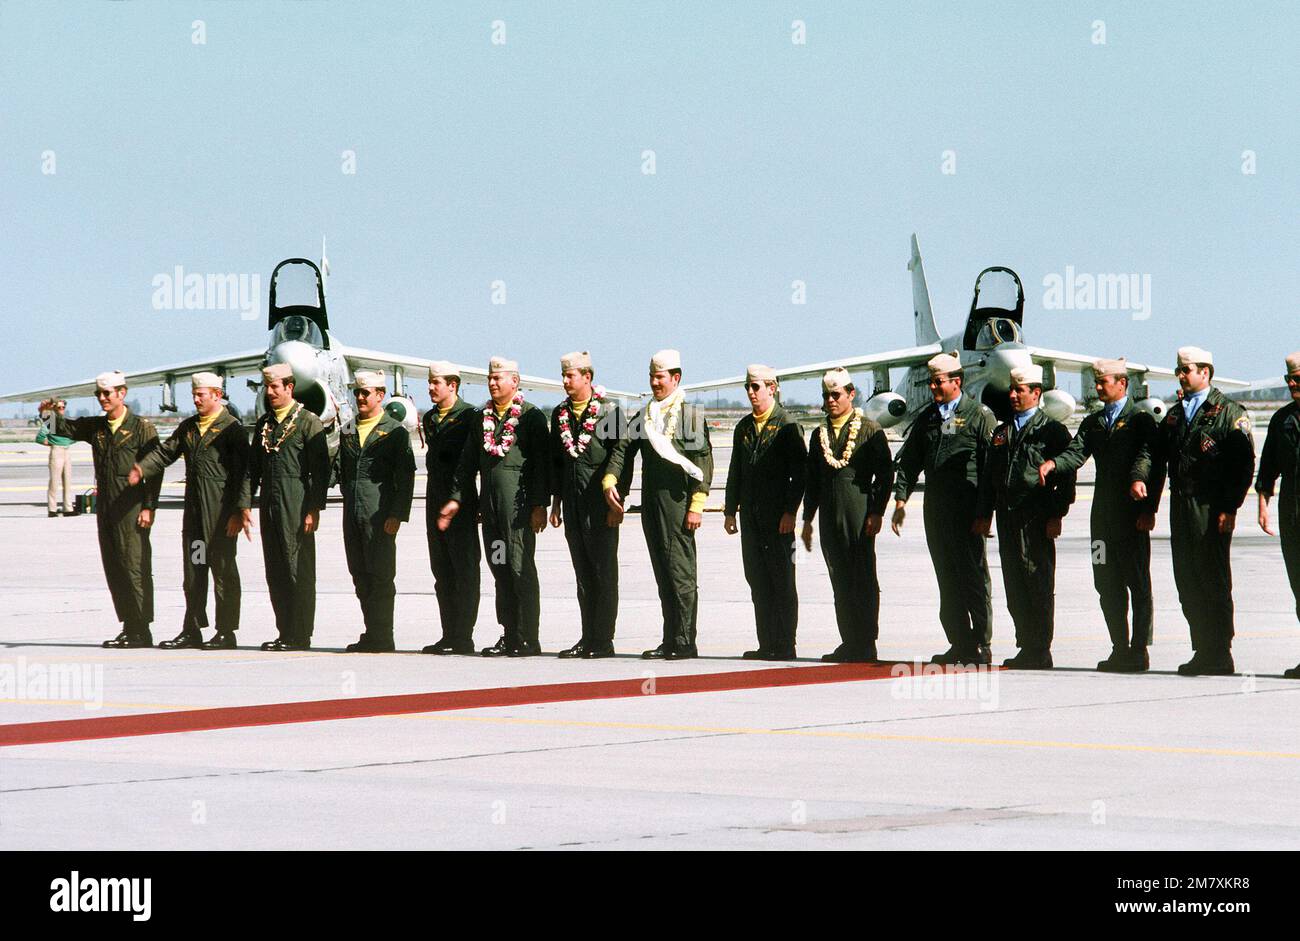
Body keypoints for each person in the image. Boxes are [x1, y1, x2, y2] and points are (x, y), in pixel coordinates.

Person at [1132, 346, 1255, 676]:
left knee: (1213, 580)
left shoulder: (1229, 412)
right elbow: (1154, 456)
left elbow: (1243, 465)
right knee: (1186, 579)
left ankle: (1220, 651)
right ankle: (1202, 648)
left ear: (1206, 372)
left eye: (1187, 369)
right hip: (1182, 506)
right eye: (1179, 370)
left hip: (1210, 507)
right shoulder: (1175, 416)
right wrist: (1144, 487)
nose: (1182, 376)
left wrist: (1230, 507)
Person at [1037, 358, 1158, 672]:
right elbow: (1076, 452)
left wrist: (1145, 502)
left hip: (1131, 517)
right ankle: (1119, 647)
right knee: (1105, 581)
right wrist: (1053, 464)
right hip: (1101, 520)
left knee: (1138, 583)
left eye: (1103, 382)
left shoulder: (1140, 420)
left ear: (1122, 383)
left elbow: (1149, 457)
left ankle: (1139, 649)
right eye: (1096, 382)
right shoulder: (1093, 423)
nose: (1098, 387)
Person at [604, 350, 713, 660]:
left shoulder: (690, 415)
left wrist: (697, 504)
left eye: (660, 377)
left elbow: (703, 461)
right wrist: (611, 481)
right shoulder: (645, 415)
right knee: (664, 575)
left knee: (680, 575)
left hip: (678, 505)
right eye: (651, 377)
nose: (654, 382)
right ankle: (670, 639)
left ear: (676, 378)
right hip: (652, 505)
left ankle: (684, 642)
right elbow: (623, 451)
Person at [129, 372, 251, 650]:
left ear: (217, 396)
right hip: (195, 519)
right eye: (194, 395)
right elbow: (165, 453)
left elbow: (243, 474)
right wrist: (142, 468)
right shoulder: (189, 428)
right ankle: (192, 629)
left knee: (223, 573)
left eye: (201, 395)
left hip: (220, 518)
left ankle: (226, 631)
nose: (196, 400)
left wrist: (238, 511)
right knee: (194, 572)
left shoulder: (232, 430)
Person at [891, 351, 996, 666]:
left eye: (938, 383)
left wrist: (984, 514)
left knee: (974, 579)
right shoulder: (928, 418)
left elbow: (991, 471)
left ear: (957, 381)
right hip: (936, 514)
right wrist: (899, 501)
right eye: (932, 383)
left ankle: (981, 644)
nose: (933, 388)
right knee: (947, 580)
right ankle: (959, 643)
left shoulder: (979, 416)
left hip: (968, 514)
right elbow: (909, 463)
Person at [440, 357, 550, 657]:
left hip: (517, 511)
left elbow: (542, 466)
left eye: (498, 378)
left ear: (514, 381)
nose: (492, 382)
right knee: (500, 569)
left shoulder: (531, 417)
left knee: (520, 570)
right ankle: (509, 633)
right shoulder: (481, 419)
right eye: (490, 378)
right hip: (490, 512)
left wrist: (540, 505)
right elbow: (467, 465)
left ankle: (529, 637)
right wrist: (456, 498)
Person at [44, 372, 161, 648]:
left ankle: (140, 628)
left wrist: (149, 507)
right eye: (99, 394)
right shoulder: (96, 426)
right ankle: (128, 625)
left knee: (134, 567)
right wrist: (48, 414)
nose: (103, 398)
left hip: (131, 508)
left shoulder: (142, 427)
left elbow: (154, 470)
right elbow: (62, 430)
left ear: (122, 393)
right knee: (114, 566)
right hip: (106, 507)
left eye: (108, 393)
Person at [973, 364, 1075, 669]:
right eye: (1012, 390)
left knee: (1038, 582)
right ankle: (1025, 644)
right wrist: (984, 514)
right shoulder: (1002, 432)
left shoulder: (1052, 431)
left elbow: (1067, 474)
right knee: (1015, 582)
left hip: (1037, 518)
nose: (1014, 395)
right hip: (1008, 518)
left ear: (1036, 393)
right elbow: (991, 476)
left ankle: (1040, 647)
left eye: (1021, 390)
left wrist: (1057, 513)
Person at [801, 367, 893, 663]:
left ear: (851, 394)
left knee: (863, 577)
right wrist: (807, 519)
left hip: (859, 512)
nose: (830, 400)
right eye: (826, 395)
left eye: (836, 395)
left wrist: (877, 512)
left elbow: (886, 474)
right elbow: (812, 480)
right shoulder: (819, 434)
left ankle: (867, 640)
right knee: (839, 578)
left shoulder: (869, 430)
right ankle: (849, 640)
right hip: (830, 515)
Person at [724, 364, 806, 660]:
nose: (750, 392)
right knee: (757, 579)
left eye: (756, 387)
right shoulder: (743, 427)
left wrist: (790, 512)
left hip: (777, 519)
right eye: (747, 386)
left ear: (772, 388)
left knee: (782, 580)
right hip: (751, 518)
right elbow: (736, 470)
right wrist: (730, 510)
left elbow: (800, 475)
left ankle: (785, 644)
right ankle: (766, 643)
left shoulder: (787, 425)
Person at [248, 363, 331, 651]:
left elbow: (321, 471)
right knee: (276, 570)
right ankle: (284, 631)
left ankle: (300, 634)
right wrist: (243, 505)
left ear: (289, 387)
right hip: (269, 505)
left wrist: (314, 508)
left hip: (296, 504)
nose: (270, 392)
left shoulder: (308, 422)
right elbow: (253, 470)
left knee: (298, 570)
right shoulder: (264, 424)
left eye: (275, 387)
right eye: (267, 387)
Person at [549, 351, 625, 658]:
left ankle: (603, 639)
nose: (566, 381)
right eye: (564, 376)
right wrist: (556, 503)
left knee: (603, 572)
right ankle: (587, 636)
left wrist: (615, 495)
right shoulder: (560, 414)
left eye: (571, 376)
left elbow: (621, 453)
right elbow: (557, 461)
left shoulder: (609, 412)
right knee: (582, 573)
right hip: (573, 504)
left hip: (601, 504)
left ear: (587, 377)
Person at [338, 369, 416, 653]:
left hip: (379, 513)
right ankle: (371, 631)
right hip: (352, 512)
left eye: (365, 393)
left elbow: (405, 476)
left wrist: (397, 514)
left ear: (380, 396)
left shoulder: (394, 431)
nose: (359, 397)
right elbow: (340, 470)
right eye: (357, 393)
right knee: (359, 573)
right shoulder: (347, 430)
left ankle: (383, 635)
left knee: (381, 575)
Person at [421, 361, 481, 655]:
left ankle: (463, 636)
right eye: (430, 382)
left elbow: (472, 464)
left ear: (452, 385)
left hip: (461, 502)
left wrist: (461, 498)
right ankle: (448, 634)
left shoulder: (470, 416)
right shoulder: (431, 418)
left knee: (464, 569)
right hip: (434, 498)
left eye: (436, 383)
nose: (430, 388)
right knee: (441, 569)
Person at [1258, 352, 1300, 678]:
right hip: (1292, 514)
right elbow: (1269, 466)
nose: (1292, 384)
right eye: (1290, 379)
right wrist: (1263, 504)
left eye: (1298, 378)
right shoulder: (1282, 420)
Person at [37, 399, 74, 517]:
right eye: (59, 408)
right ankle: (52, 509)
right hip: (57, 451)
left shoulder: (65, 422)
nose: (61, 410)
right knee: (54, 482)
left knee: (67, 481)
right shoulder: (51, 421)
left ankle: (68, 508)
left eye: (63, 407)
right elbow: (40, 437)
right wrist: (52, 444)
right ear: (54, 409)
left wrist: (68, 442)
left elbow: (72, 436)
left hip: (66, 451)